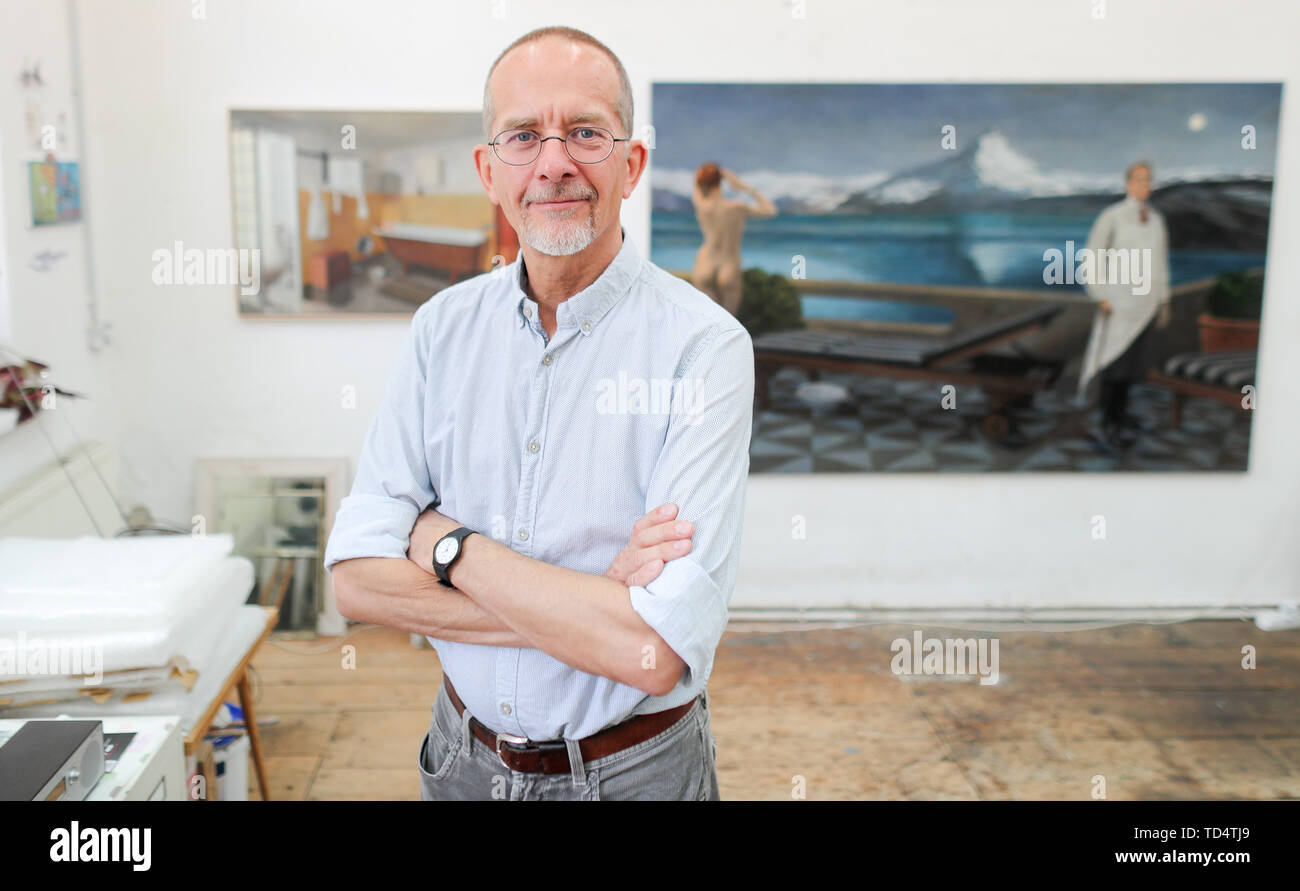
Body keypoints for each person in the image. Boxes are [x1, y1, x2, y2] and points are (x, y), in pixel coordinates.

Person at [322, 26, 754, 801]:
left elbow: (653, 652)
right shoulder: (440, 331)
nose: (554, 161)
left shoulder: (706, 348)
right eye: (524, 136)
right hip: (462, 760)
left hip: (636, 773)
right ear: (491, 172)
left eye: (585, 132)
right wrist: (592, 604)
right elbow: (355, 580)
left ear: (633, 163)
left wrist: (446, 545)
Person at [1076, 160, 1172, 448]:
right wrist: (1100, 294)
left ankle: (1119, 417)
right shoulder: (1112, 216)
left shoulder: (1156, 220)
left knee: (1130, 368)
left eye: (1149, 180)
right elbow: (1092, 256)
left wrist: (1164, 300)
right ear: (1128, 183)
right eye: (1140, 180)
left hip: (1146, 306)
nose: (1145, 185)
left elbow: (1160, 263)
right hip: (1118, 304)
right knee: (1112, 364)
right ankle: (1107, 423)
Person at [691, 163, 776, 315]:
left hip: (705, 263)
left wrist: (708, 174)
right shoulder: (735, 208)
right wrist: (742, 186)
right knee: (729, 325)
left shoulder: (702, 207)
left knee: (705, 319)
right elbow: (770, 210)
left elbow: (697, 190)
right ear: (720, 184)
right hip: (728, 265)